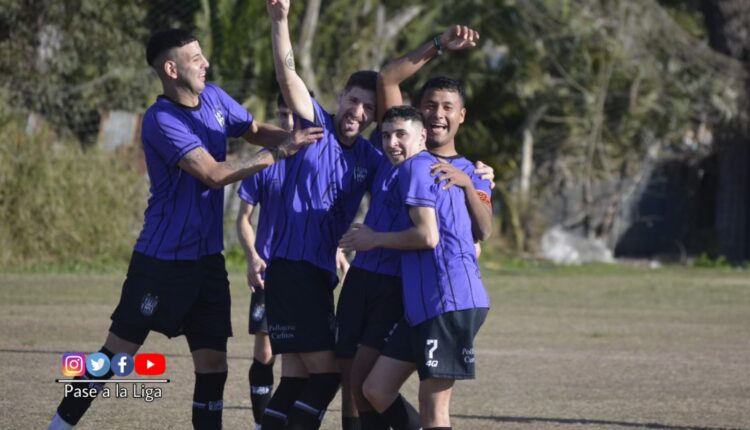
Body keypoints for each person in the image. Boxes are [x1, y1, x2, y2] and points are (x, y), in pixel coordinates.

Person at [47, 29, 323, 430]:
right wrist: (281, 151)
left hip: (208, 262)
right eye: (196, 58)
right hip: (161, 262)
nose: (205, 62)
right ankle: (59, 425)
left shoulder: (213, 97)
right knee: (116, 354)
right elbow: (212, 174)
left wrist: (313, 141)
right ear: (172, 69)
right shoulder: (160, 120)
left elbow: (254, 129)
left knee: (214, 365)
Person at [341, 26, 492, 430]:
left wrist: (472, 188)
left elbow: (481, 233)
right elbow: (387, 78)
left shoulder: (468, 171)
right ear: (419, 115)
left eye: (447, 107)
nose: (437, 113)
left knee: (427, 406)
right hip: (391, 289)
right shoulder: (398, 142)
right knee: (363, 387)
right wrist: (439, 44)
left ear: (461, 116)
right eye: (430, 105)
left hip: (427, 293)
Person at [260, 1, 382, 429]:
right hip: (291, 269)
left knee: (295, 375)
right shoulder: (315, 124)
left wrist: (476, 176)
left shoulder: (372, 158)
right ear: (340, 98)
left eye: (368, 108)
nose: (358, 111)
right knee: (329, 374)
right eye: (353, 100)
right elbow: (286, 75)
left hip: (315, 275)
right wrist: (281, 21)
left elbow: (408, 176)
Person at [236, 93, 350, 430]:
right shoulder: (266, 160)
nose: (288, 123)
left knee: (294, 367)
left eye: (294, 116)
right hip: (270, 271)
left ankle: (271, 421)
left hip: (308, 273)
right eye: (283, 114)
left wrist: (337, 251)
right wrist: (251, 255)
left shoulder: (321, 161)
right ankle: (262, 421)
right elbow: (243, 218)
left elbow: (323, 215)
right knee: (266, 354)